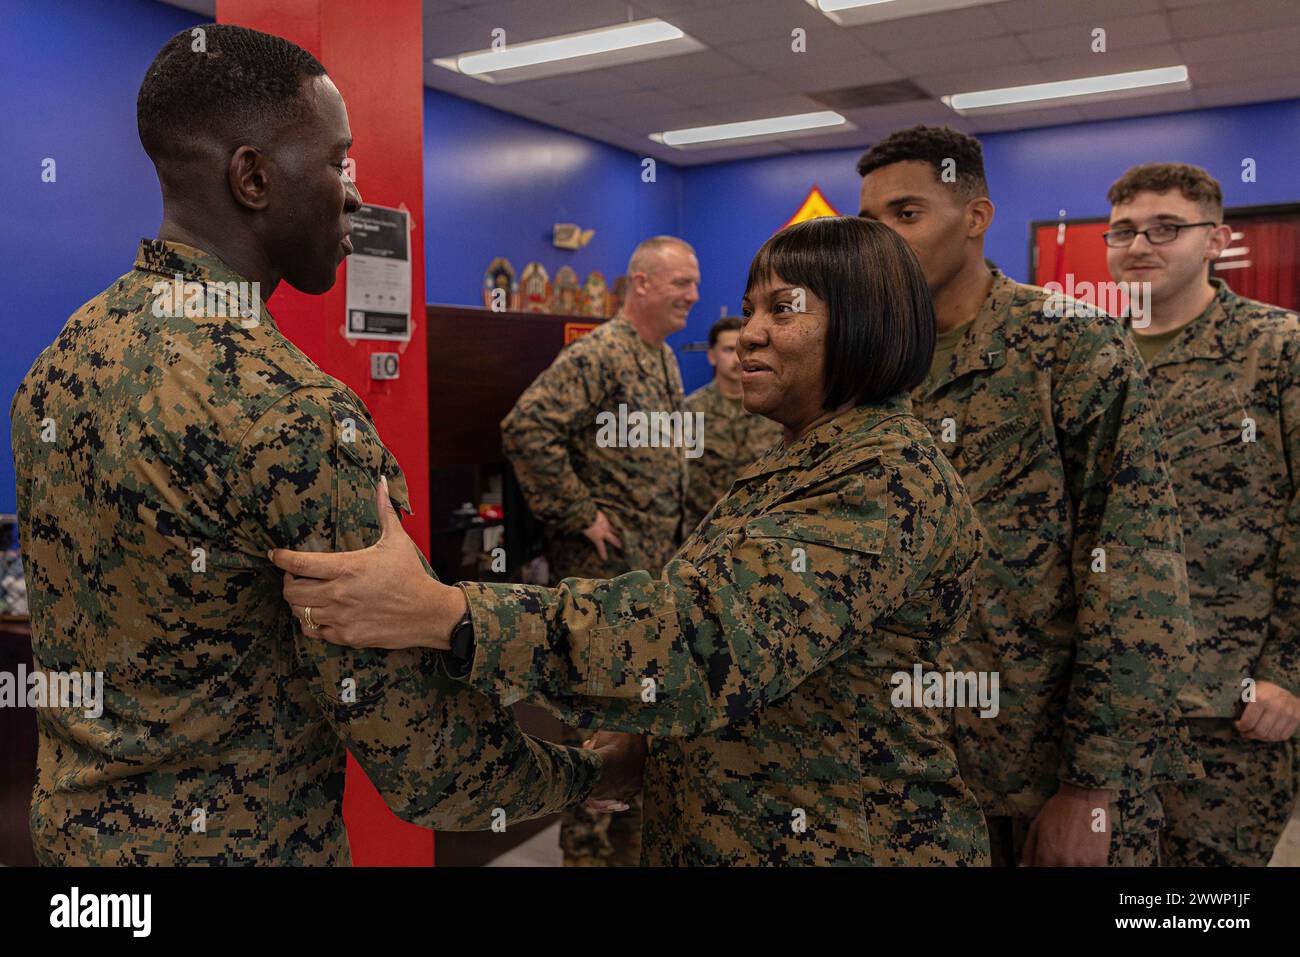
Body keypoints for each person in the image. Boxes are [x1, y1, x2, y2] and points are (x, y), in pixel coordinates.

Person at [8, 24, 635, 866]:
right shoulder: (297, 414)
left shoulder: (60, 362)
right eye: (338, 162)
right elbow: (424, 761)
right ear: (254, 177)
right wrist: (588, 770)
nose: (357, 196)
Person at [272, 216, 991, 866]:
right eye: (747, 311)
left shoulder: (879, 479)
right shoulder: (812, 460)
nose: (748, 334)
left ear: (867, 320)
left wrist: (447, 613)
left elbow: (705, 641)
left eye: (783, 308)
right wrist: (654, 743)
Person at [857, 125, 1199, 866]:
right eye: (871, 221)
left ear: (976, 217)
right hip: (900, 768)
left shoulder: (1071, 344)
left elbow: (1135, 570)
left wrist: (1092, 787)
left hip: (1036, 776)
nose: (882, 239)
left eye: (906, 214)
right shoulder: (870, 362)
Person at [1105, 162, 1300, 866]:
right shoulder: (1092, 357)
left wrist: (1289, 670)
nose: (1140, 245)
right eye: (1124, 230)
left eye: (1166, 228)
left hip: (1231, 705)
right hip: (1108, 706)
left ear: (1217, 240)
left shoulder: (1279, 348)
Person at [500, 235, 696, 865]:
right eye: (680, 283)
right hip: (599, 579)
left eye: (694, 283)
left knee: (639, 725)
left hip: (648, 574)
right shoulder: (600, 354)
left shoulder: (662, 357)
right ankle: (584, 854)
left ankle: (632, 852)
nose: (693, 295)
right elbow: (527, 428)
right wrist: (580, 514)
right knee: (592, 729)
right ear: (641, 284)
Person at [683, 316, 784, 531]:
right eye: (728, 350)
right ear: (712, 356)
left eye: (742, 349)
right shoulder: (689, 412)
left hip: (759, 530)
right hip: (702, 533)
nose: (738, 359)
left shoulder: (774, 410)